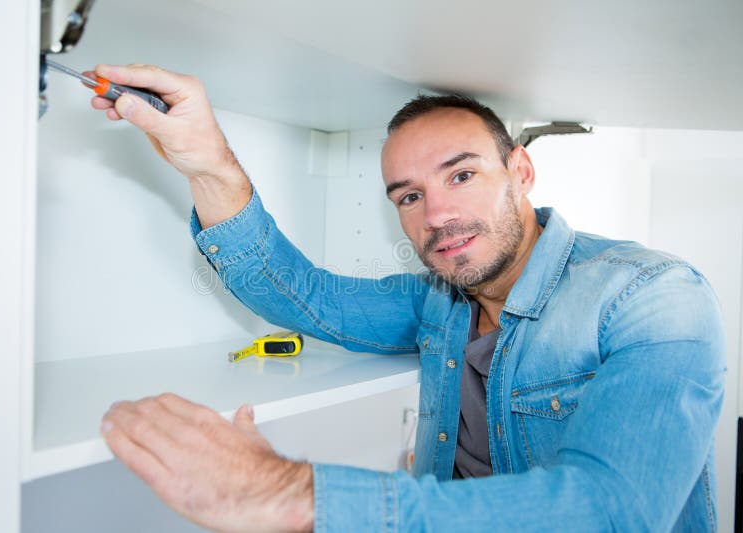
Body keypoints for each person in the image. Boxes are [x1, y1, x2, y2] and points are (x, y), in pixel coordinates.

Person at [94, 64, 726, 532]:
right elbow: (304, 297)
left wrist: (288, 491)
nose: (439, 214)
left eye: (462, 175)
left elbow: (613, 511)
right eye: (409, 196)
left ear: (522, 173)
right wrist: (209, 165)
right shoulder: (440, 301)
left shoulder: (654, 295)